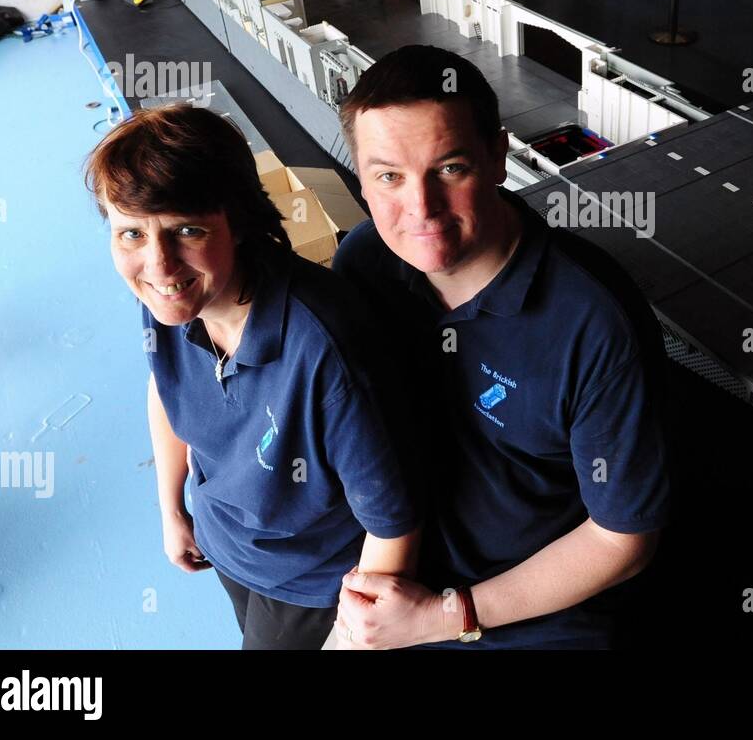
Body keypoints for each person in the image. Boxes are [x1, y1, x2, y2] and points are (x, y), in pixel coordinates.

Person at [330, 45, 672, 649]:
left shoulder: (592, 321)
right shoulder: (365, 262)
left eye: (449, 168)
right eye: (388, 176)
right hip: (393, 567)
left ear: (498, 156)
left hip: (532, 614)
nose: (421, 210)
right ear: (360, 178)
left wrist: (443, 615)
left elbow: (622, 541)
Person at [84, 104, 419, 650]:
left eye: (186, 230)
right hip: (228, 543)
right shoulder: (173, 298)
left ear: (238, 221)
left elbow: (393, 526)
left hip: (312, 583)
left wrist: (348, 640)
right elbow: (167, 384)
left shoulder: (325, 352)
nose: (159, 264)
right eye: (130, 236)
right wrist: (172, 508)